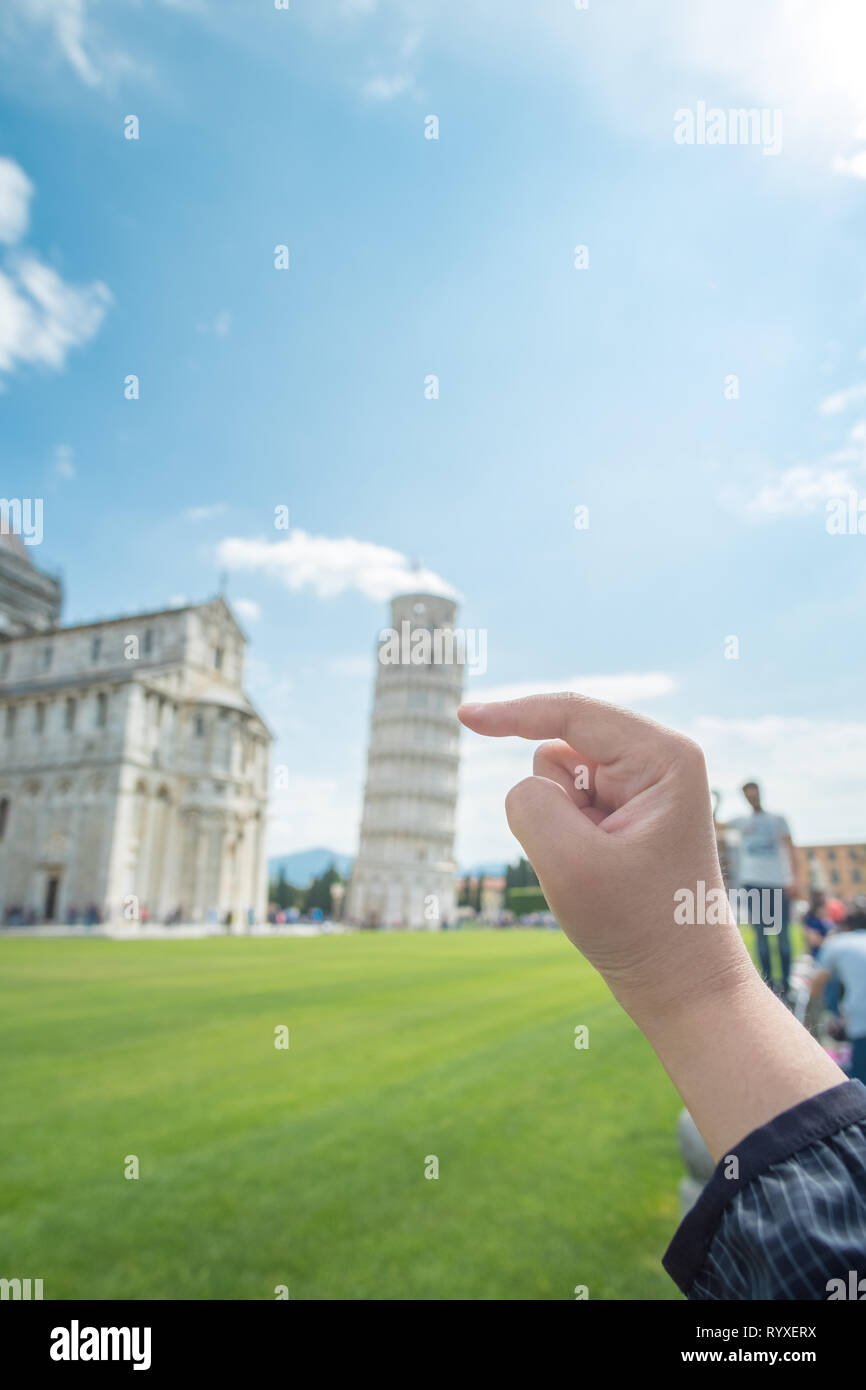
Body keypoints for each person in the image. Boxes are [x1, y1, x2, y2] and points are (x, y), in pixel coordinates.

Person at [458, 691, 866, 1300]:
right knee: (770, 946)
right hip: (744, 925)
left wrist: (688, 974)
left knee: (776, 945)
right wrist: (695, 978)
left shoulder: (775, 825)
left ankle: (772, 979)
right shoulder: (746, 824)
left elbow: (821, 1262)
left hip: (764, 900)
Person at [723, 781, 798, 999]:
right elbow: (713, 825)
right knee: (762, 939)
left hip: (777, 883)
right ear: (745, 797)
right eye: (748, 796)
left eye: (754, 795)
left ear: (760, 794)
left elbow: (790, 849)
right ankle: (769, 985)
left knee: (782, 937)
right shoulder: (740, 821)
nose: (752, 798)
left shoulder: (777, 820)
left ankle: (786, 984)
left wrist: (794, 879)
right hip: (752, 883)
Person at [810, 907, 866, 1087]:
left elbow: (818, 982)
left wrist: (816, 1018)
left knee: (860, 1087)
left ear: (845, 926)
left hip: (862, 1019)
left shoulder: (837, 942)